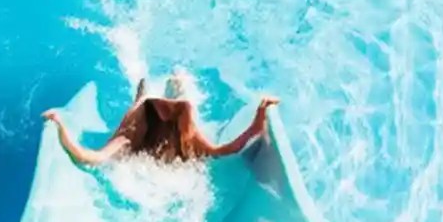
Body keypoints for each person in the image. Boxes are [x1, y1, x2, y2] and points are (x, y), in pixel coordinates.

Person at [43, 77, 278, 166]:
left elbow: (228, 149)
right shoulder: (131, 132)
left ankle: (166, 89)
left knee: (166, 100)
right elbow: (89, 157)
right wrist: (62, 130)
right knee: (146, 100)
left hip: (161, 129)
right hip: (151, 122)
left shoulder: (188, 135)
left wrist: (258, 121)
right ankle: (158, 90)